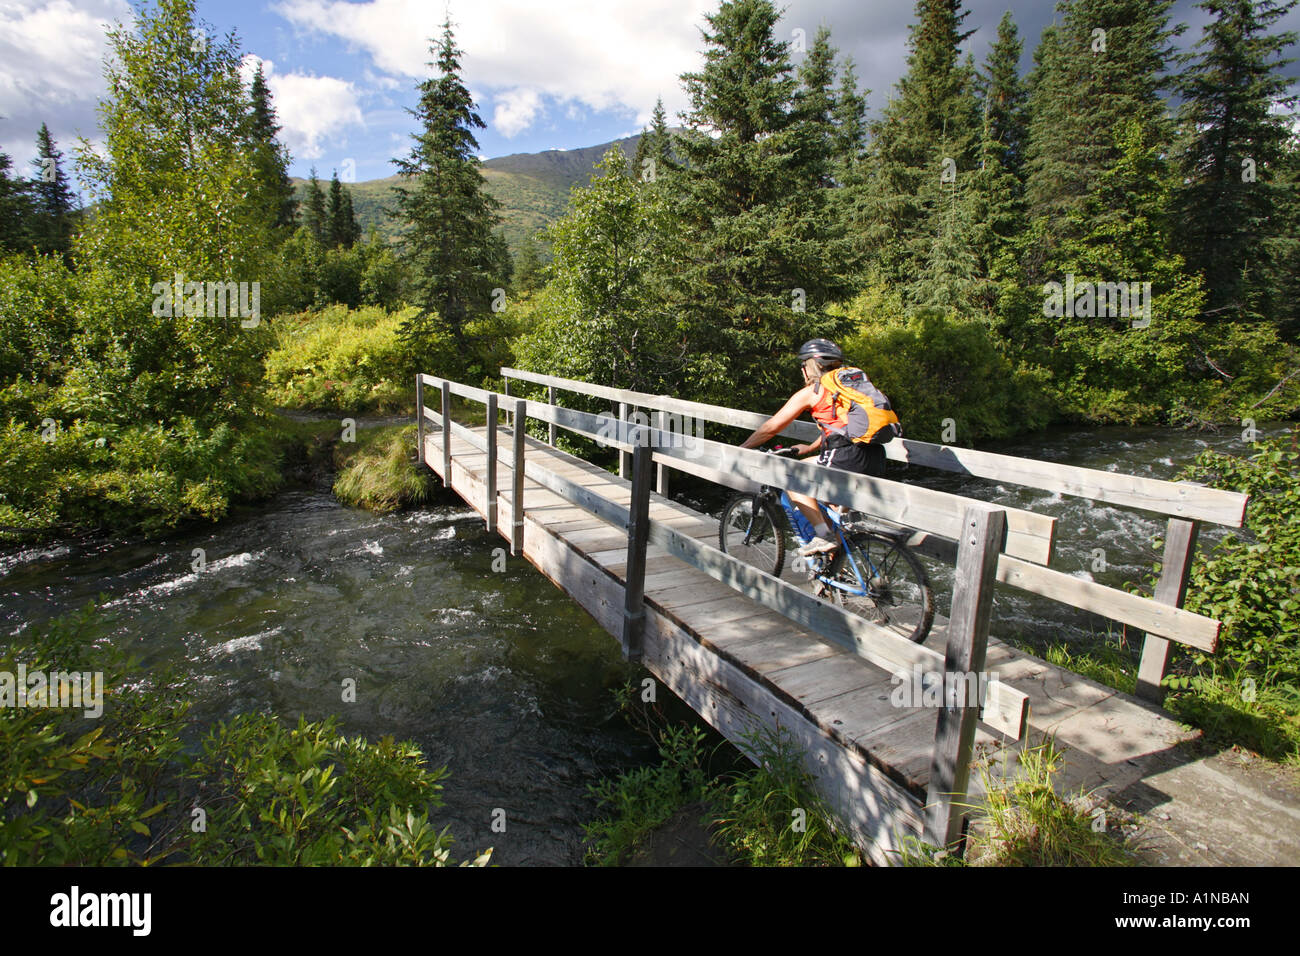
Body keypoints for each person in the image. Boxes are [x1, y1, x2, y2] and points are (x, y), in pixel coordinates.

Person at [739, 338, 898, 556]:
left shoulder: (814, 391)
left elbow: (772, 427)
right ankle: (837, 570)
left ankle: (822, 535)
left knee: (792, 477)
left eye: (802, 366)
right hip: (875, 457)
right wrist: (812, 446)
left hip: (845, 458)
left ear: (808, 367)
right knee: (832, 508)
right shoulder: (848, 389)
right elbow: (841, 429)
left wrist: (743, 448)